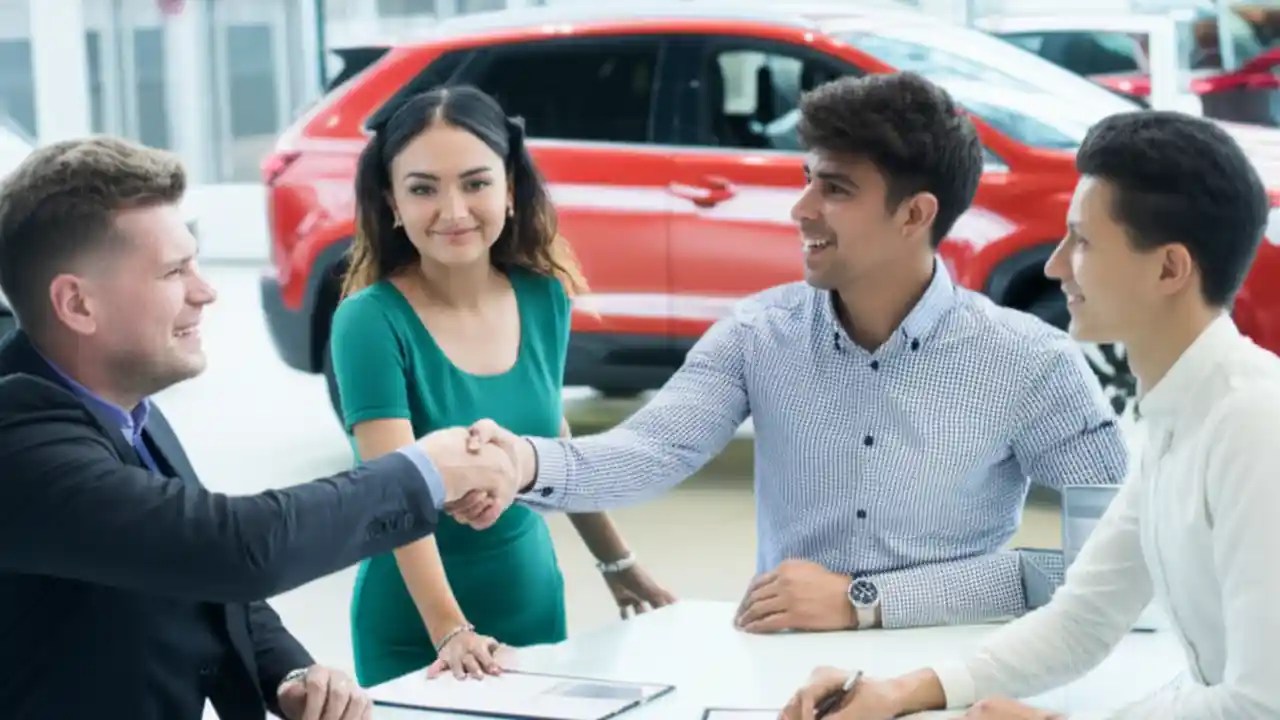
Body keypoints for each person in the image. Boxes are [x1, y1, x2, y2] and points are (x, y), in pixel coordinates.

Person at [463, 72, 1128, 634]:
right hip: (784, 669)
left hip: (954, 672)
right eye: (808, 180)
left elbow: (1115, 559)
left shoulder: (1031, 363)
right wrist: (521, 462)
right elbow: (653, 451)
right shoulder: (758, 334)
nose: (800, 209)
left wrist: (867, 603)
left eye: (835, 190)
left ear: (915, 215)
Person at [0, 136, 521, 720]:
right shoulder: (16, 436)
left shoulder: (122, 406)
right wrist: (427, 473)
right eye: (175, 271)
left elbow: (196, 571)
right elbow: (231, 547)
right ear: (76, 304)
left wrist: (287, 673)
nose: (206, 290)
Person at [781, 111, 1280, 718]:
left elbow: (1261, 704)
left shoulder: (1253, 425)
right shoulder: (1182, 414)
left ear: (1170, 268)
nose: (1055, 265)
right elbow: (1082, 619)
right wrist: (898, 690)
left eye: (1084, 242)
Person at [328, 85, 674, 688]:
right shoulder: (368, 320)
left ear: (510, 189)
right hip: (417, 623)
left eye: (475, 182)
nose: (454, 210)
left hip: (531, 599)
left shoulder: (543, 296)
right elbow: (391, 495)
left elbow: (553, 440)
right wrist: (450, 631)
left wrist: (617, 563)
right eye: (423, 188)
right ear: (391, 202)